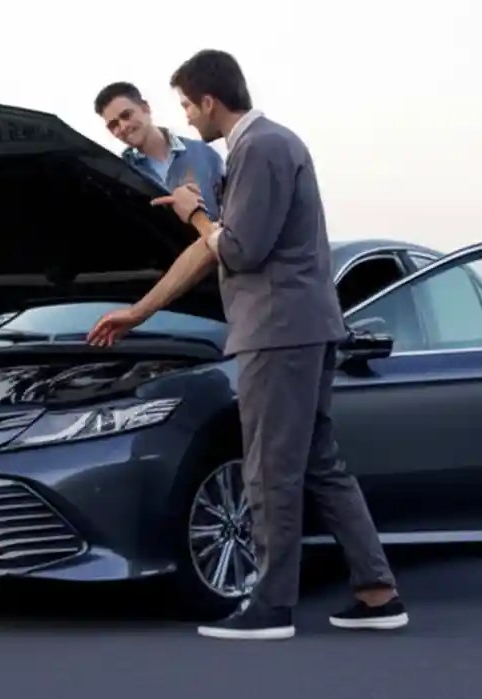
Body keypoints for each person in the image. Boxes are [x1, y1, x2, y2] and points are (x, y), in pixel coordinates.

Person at [87, 50, 409, 640]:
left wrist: (197, 214)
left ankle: (270, 607)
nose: (188, 117)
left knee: (267, 469)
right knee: (319, 464)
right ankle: (377, 590)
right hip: (302, 326)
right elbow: (220, 247)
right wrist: (140, 310)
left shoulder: (258, 148)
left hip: (278, 331)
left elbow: (237, 250)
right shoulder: (271, 145)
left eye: (187, 104)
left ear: (208, 101)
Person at [94, 81, 224, 220]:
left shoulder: (203, 153)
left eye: (126, 115)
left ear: (145, 108)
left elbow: (233, 210)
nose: (123, 126)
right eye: (114, 125)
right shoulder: (121, 176)